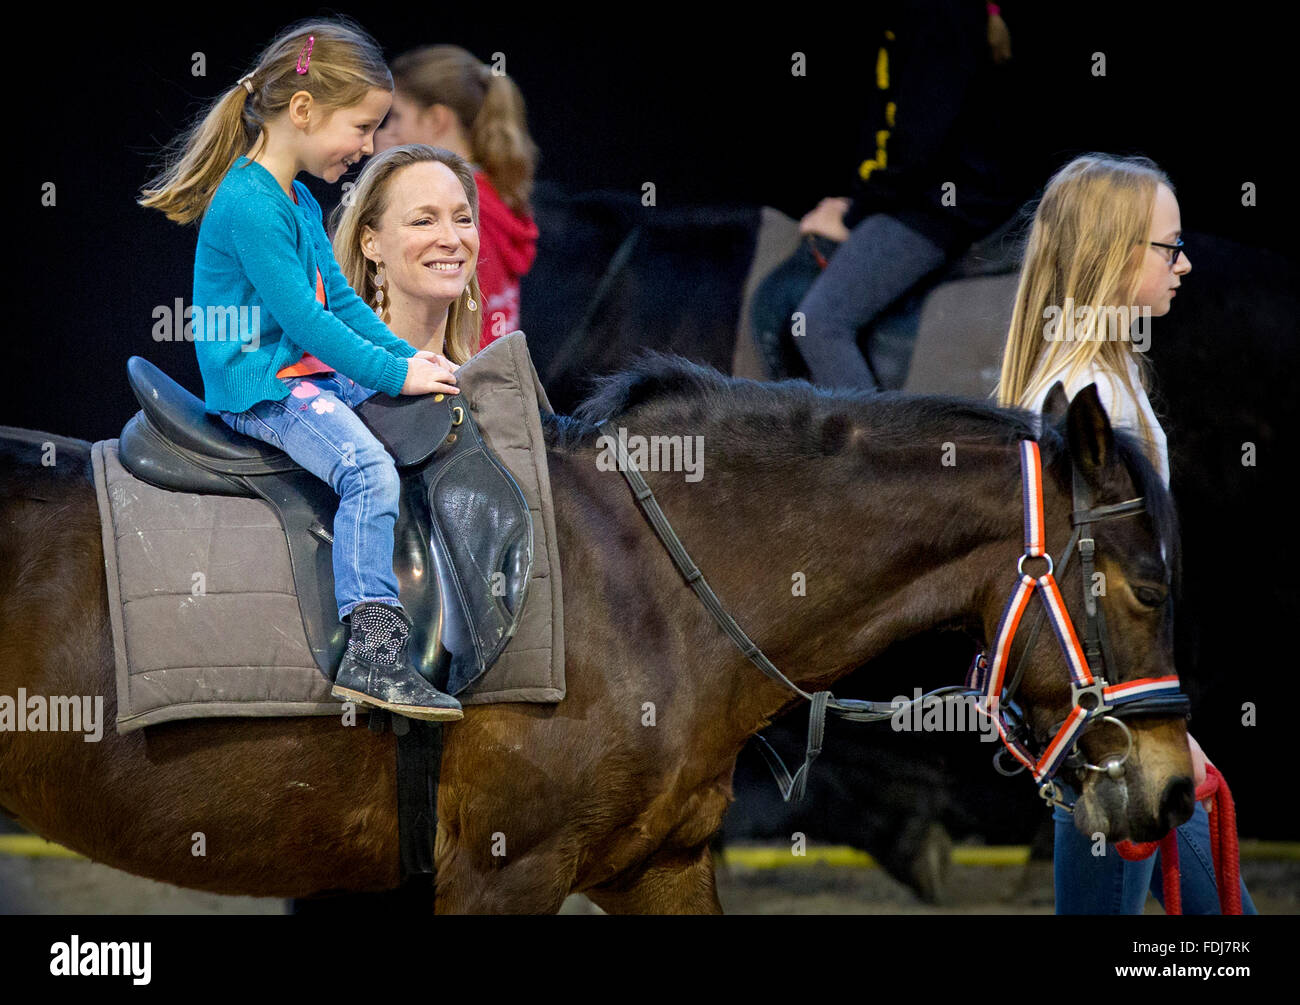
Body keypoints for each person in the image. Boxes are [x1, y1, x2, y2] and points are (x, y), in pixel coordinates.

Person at [138, 18, 465, 722]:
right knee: (367, 470)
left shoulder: (297, 199)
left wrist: (407, 359)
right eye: (362, 127)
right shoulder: (249, 203)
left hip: (300, 371)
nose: (369, 147)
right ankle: (372, 652)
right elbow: (307, 323)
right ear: (306, 110)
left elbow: (341, 299)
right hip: (264, 388)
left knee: (411, 411)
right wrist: (394, 371)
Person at [997, 153, 1256, 913]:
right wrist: (1153, 729)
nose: (1185, 263)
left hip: (1131, 731)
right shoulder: (1089, 396)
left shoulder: (1115, 382)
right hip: (1114, 743)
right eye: (1167, 246)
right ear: (1113, 256)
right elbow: (1087, 597)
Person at [752, 0, 1028, 390]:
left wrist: (851, 218)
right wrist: (855, 203)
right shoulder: (913, 17)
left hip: (941, 210)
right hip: (915, 199)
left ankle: (865, 447)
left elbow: (917, 149)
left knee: (819, 324)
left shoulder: (942, 14)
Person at [374, 45, 539, 352]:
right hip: (489, 385)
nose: (386, 132)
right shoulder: (493, 197)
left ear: (436, 119)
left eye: (396, 117)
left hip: (453, 388)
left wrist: (378, 179)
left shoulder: (458, 205)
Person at [330, 143, 482, 368]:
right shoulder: (336, 380)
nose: (452, 240)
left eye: (463, 219)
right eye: (423, 221)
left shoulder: (490, 385)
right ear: (371, 243)